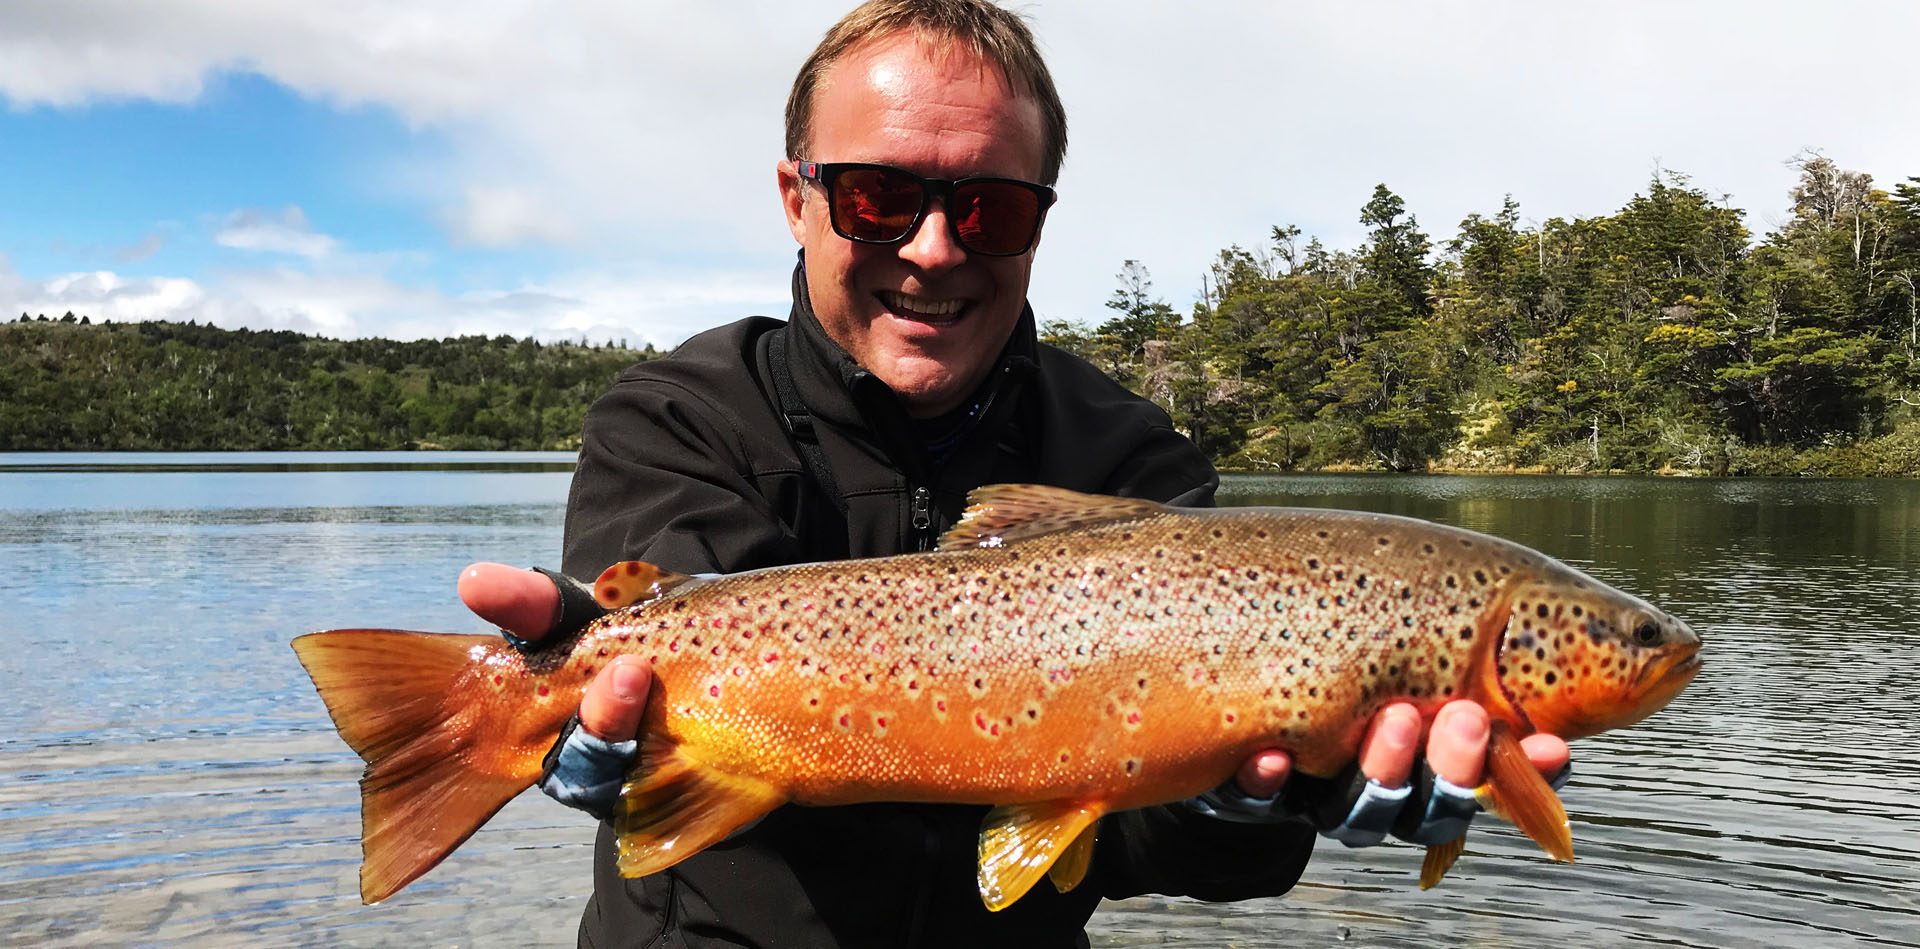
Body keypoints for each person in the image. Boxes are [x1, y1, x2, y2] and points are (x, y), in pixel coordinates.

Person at [457, 1, 1571, 946]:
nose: (935, 248)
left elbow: (1137, 840)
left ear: (1039, 222)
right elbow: (663, 684)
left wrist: (1249, 809)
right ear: (795, 198)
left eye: (988, 207)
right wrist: (564, 687)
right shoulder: (678, 418)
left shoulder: (1132, 459)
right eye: (878, 198)